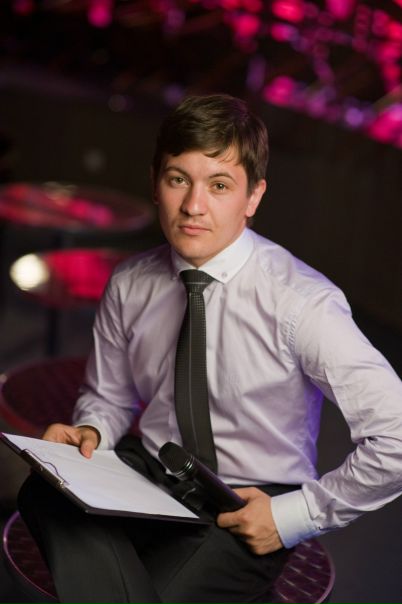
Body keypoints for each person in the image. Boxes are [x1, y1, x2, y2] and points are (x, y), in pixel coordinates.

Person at [18, 94, 402, 604]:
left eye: (219, 185)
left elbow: (396, 435)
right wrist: (92, 430)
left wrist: (297, 515)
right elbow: (107, 396)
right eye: (179, 179)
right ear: (155, 182)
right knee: (41, 489)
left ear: (253, 196)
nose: (193, 206)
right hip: (149, 467)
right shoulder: (131, 283)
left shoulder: (302, 302)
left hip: (247, 497)